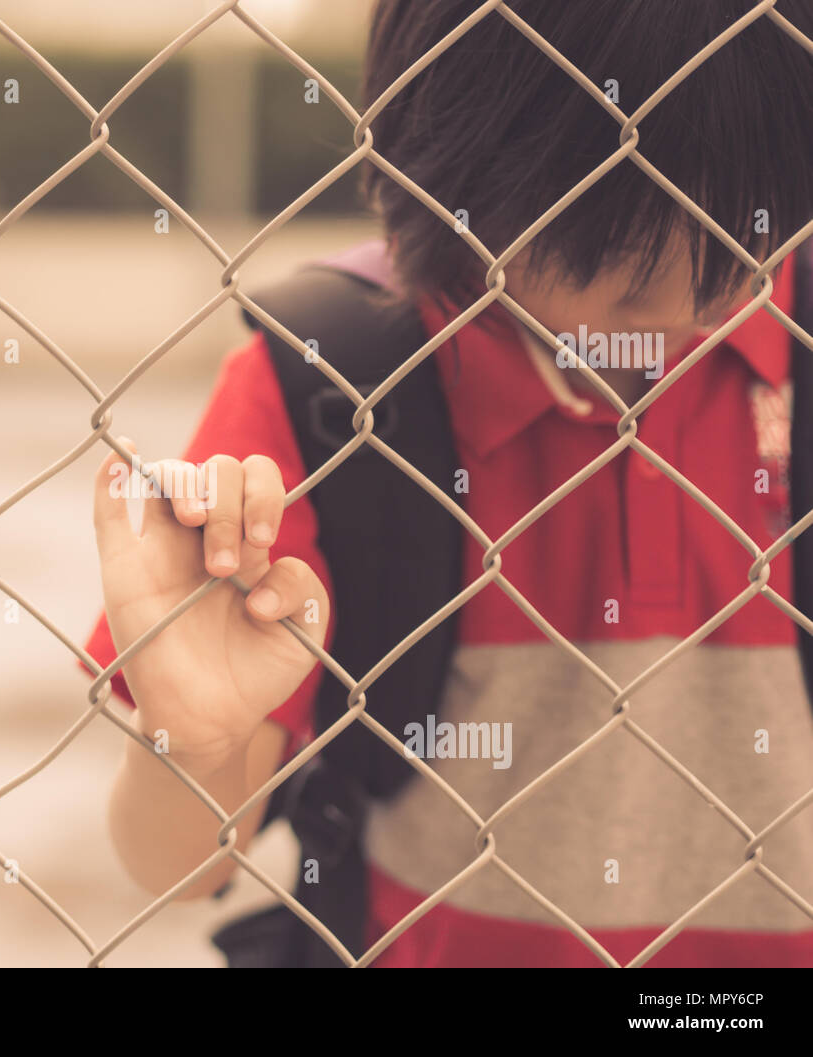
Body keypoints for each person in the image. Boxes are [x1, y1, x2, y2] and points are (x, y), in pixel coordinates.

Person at [83, 0, 813, 966]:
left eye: (738, 252)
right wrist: (198, 738)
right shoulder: (333, 392)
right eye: (624, 273)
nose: (685, 310)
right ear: (457, 180)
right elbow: (178, 865)